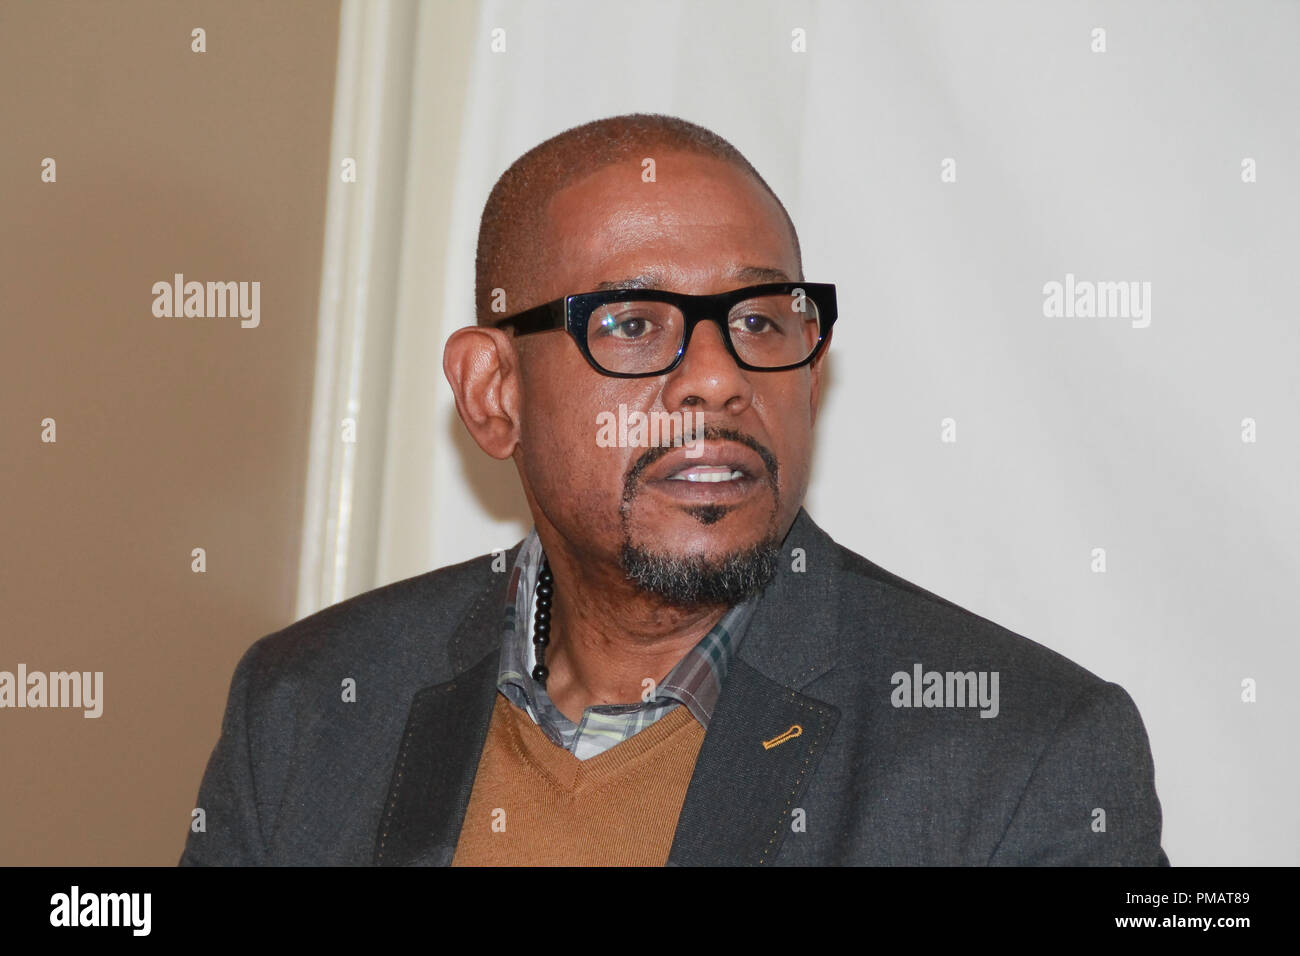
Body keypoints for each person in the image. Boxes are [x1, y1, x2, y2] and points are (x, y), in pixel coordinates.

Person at [181, 113, 1168, 866]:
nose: (716, 375)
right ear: (494, 391)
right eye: (633, 323)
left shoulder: (1019, 752)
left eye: (761, 319)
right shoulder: (308, 703)